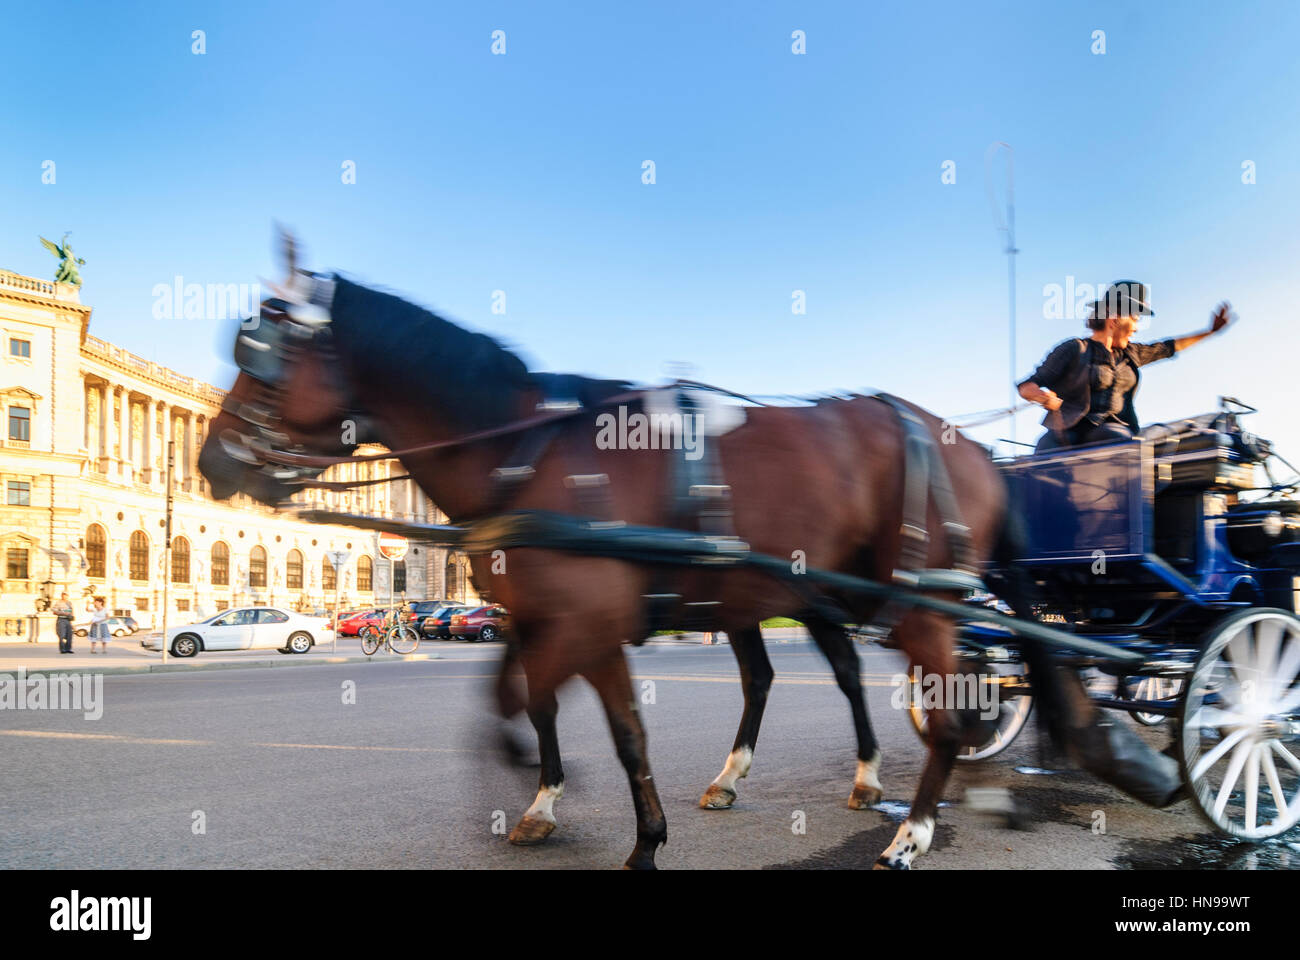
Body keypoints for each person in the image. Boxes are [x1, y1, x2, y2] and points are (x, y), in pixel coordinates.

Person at [1018, 281, 1233, 451]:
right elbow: (1026, 387)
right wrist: (1044, 397)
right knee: (1045, 449)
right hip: (1065, 430)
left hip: (1109, 430)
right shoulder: (1075, 349)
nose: (1137, 328)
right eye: (1135, 319)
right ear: (1115, 319)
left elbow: (1169, 347)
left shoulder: (1132, 353)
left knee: (1121, 442)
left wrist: (1209, 332)